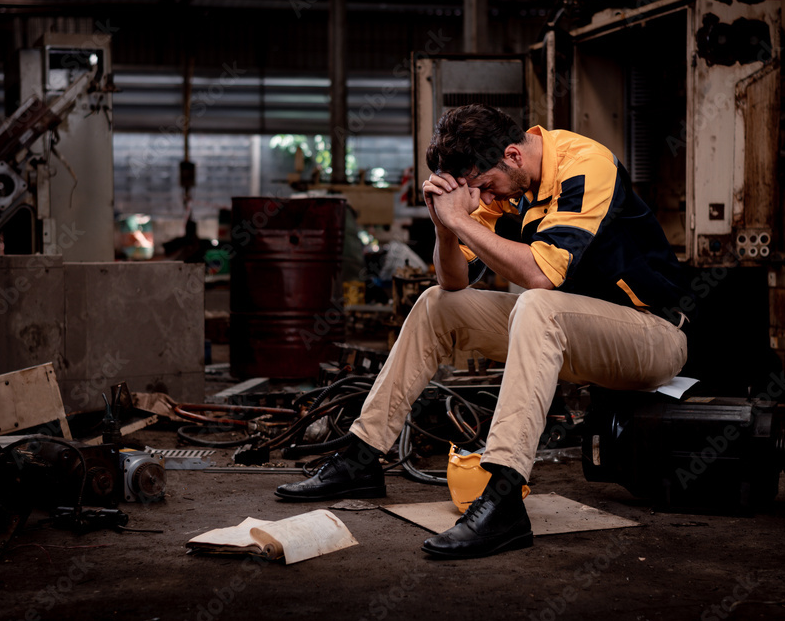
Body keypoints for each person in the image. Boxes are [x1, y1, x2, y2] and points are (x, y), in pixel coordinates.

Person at [275, 104, 693, 559]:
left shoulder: (584, 164)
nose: (486, 198)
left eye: (487, 187)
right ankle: (361, 456)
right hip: (575, 333)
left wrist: (461, 219)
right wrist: (444, 225)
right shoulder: (504, 184)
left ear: (512, 154)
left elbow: (541, 275)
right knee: (438, 305)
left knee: (537, 303)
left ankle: (505, 499)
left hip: (651, 338)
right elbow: (452, 282)